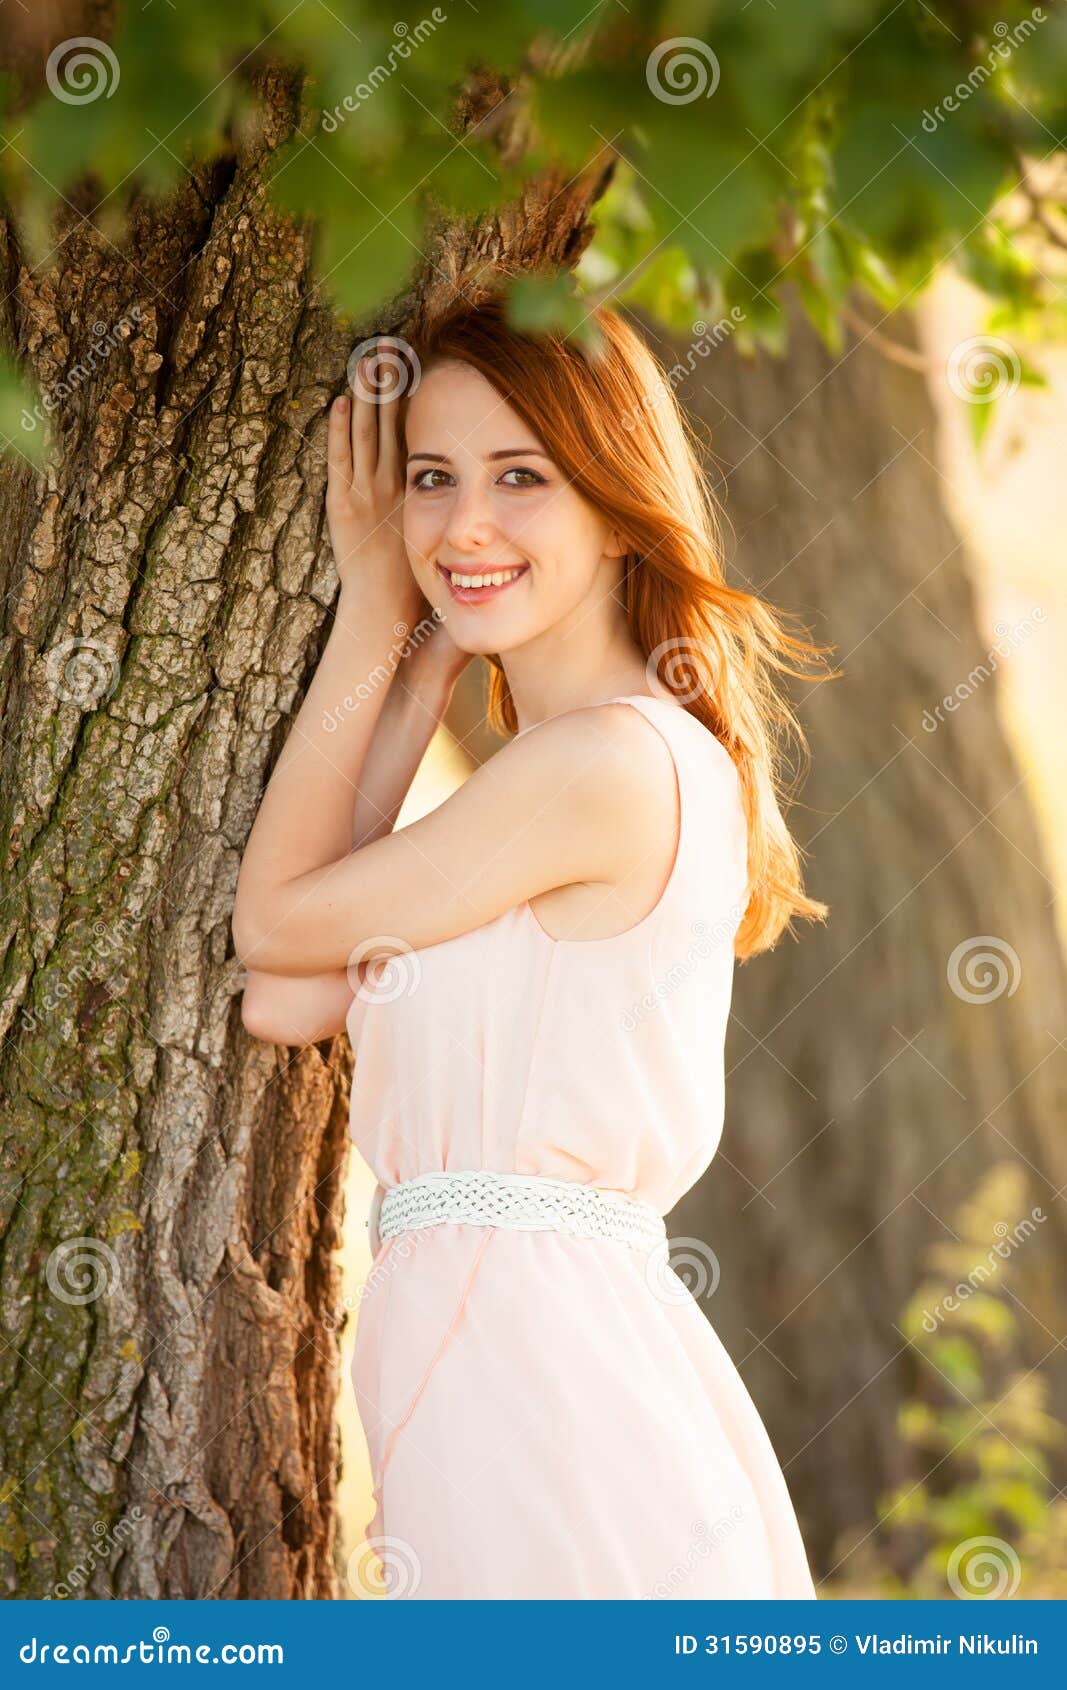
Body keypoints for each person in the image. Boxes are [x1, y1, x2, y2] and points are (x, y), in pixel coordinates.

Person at [233, 291, 832, 1599]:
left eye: (522, 477)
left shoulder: (606, 764)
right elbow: (291, 990)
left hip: (542, 1373)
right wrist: (412, 682)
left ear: (620, 504)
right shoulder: (556, 776)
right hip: (495, 1348)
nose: (465, 526)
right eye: (433, 479)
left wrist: (366, 610)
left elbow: (273, 916)